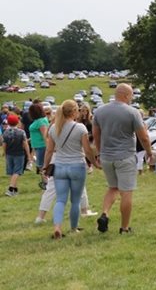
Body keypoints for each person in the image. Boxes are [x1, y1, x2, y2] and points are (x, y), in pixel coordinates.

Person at [93, 83, 152, 234]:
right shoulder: (132, 112)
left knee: (113, 188)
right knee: (126, 192)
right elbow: (143, 137)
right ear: (126, 95)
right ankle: (124, 227)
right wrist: (149, 153)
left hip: (106, 156)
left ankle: (105, 213)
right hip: (125, 156)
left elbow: (96, 135)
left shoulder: (99, 111)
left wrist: (99, 153)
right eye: (131, 95)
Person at [42, 100, 98, 239]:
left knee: (60, 200)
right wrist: (95, 163)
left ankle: (57, 227)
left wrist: (45, 166)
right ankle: (73, 227)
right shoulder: (80, 128)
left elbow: (49, 151)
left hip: (59, 166)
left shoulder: (54, 128)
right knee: (75, 200)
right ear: (73, 112)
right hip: (77, 166)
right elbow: (87, 149)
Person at [3, 114, 31, 196]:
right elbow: (25, 144)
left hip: (9, 154)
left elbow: (4, 144)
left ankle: (15, 189)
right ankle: (10, 188)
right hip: (19, 154)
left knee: (11, 172)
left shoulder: (5, 132)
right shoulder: (21, 132)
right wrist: (28, 155)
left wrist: (4, 153)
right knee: (17, 171)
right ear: (17, 122)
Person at [28, 103, 49, 183]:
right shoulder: (39, 120)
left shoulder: (41, 121)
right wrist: (30, 139)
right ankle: (45, 181)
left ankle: (46, 182)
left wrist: (48, 147)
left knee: (41, 165)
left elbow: (44, 135)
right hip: (37, 145)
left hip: (41, 146)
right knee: (41, 165)